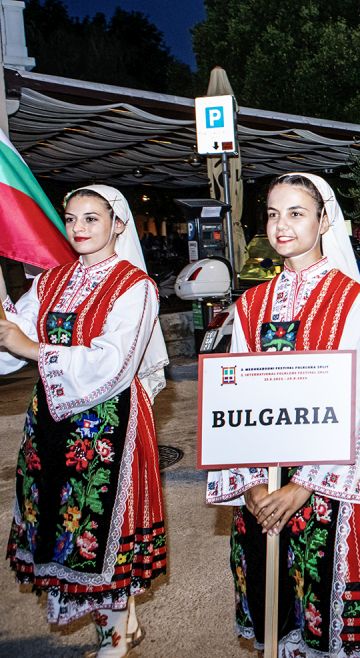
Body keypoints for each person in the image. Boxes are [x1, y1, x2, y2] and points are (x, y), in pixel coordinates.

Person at [207, 173, 360, 657]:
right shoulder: (251, 303)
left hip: (325, 483)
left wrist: (303, 486)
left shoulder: (351, 300)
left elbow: (359, 400)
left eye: (296, 213)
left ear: (323, 222)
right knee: (277, 613)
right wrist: (254, 485)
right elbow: (236, 399)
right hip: (264, 484)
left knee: (330, 616)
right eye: (273, 214)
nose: (281, 225)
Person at [0, 185, 168, 657]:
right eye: (71, 219)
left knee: (100, 539)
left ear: (118, 224)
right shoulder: (50, 282)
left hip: (108, 425)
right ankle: (124, 626)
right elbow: (14, 336)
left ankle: (113, 646)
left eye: (91, 219)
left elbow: (113, 362)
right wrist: (6, 328)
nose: (78, 228)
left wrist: (29, 348)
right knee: (64, 529)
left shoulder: (135, 286)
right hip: (52, 425)